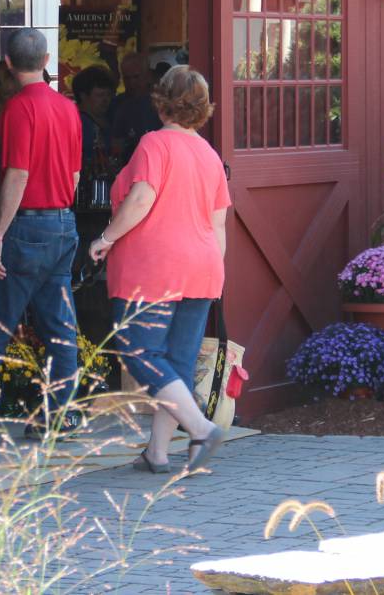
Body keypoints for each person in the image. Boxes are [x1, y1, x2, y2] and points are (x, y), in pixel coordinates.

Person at [89, 66, 230, 473]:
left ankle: (201, 429)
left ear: (160, 101)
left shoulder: (154, 143)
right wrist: (215, 274)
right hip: (203, 265)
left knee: (138, 350)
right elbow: (218, 222)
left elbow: (140, 199)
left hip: (154, 266)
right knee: (177, 362)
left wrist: (107, 238)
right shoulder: (208, 153)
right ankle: (158, 452)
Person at [0, 28, 84, 437]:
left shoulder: (16, 108)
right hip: (64, 222)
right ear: (48, 60)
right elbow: (75, 173)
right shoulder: (68, 108)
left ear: (9, 66)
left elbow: (17, 173)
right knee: (60, 328)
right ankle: (62, 414)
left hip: (26, 225)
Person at [108, 52, 162, 163]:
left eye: (136, 77)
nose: (132, 82)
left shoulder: (161, 103)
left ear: (148, 76)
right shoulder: (117, 104)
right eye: (127, 78)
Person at [72, 65, 116, 166]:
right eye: (100, 95)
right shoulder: (77, 124)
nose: (106, 100)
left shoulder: (112, 116)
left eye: (109, 94)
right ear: (83, 96)